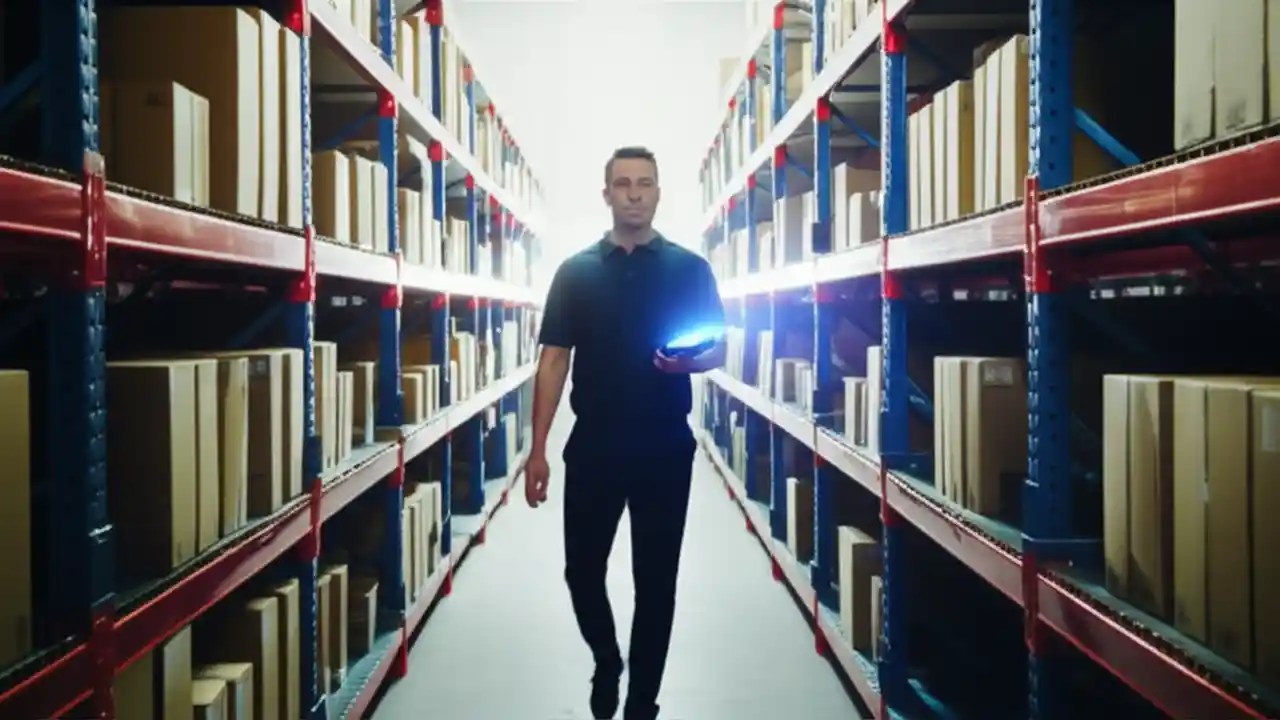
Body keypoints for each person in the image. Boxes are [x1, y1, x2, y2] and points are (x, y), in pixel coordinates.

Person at [523, 146, 726, 720]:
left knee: (656, 582)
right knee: (582, 572)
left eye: (645, 183)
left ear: (658, 192)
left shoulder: (690, 269)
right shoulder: (576, 272)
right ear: (607, 193)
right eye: (623, 183)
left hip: (665, 447)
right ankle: (608, 659)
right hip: (594, 446)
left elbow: (718, 350)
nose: (634, 193)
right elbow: (554, 360)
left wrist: (688, 363)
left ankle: (641, 703)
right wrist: (538, 450)